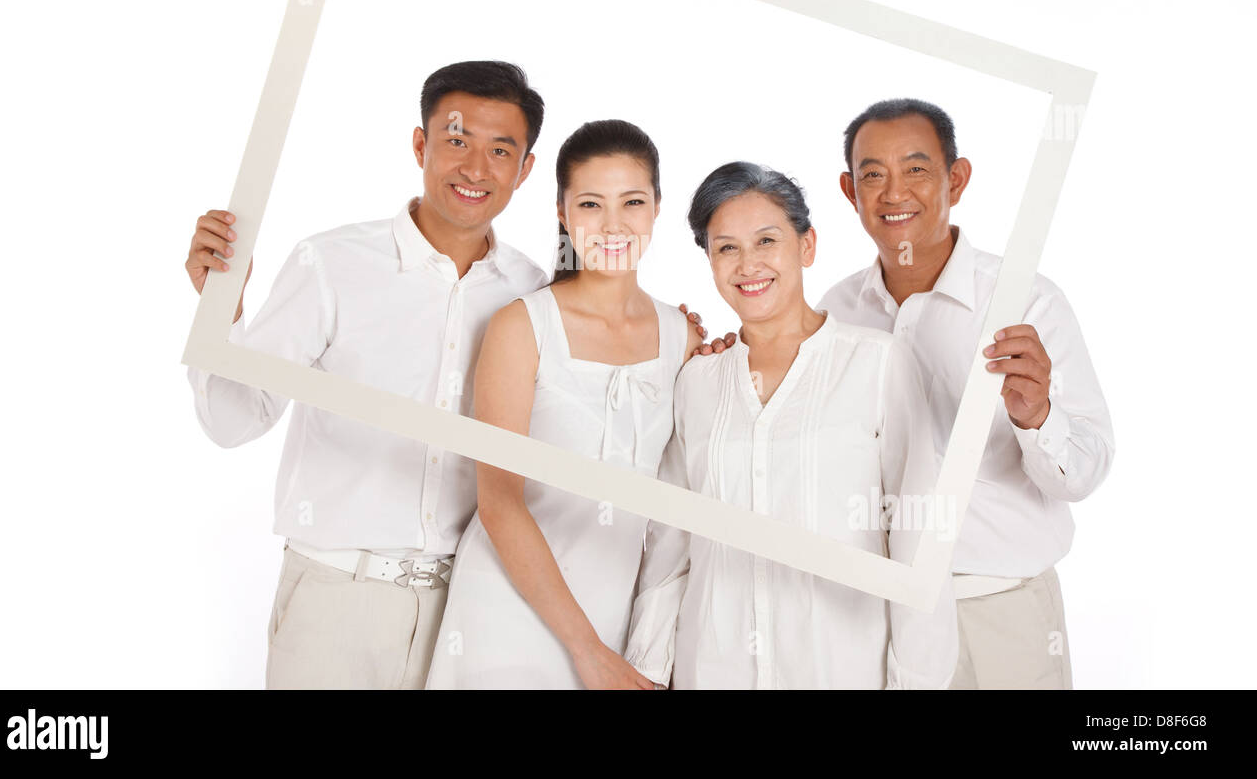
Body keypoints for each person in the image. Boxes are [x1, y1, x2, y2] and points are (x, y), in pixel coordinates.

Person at [184, 61, 550, 689]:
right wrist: (221, 310)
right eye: (457, 141)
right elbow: (233, 419)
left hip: (474, 609)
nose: (475, 169)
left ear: (526, 169)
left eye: (500, 151)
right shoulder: (331, 264)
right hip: (335, 603)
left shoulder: (534, 292)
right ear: (420, 145)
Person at [624, 162, 958, 689]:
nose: (747, 264)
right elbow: (672, 542)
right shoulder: (697, 382)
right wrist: (644, 666)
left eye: (766, 240)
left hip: (839, 669)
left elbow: (920, 542)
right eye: (726, 247)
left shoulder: (875, 364)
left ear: (807, 246)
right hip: (714, 667)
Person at [821, 99, 1114, 689]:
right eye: (873, 174)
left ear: (956, 179)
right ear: (851, 191)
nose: (893, 192)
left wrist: (1038, 418)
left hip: (1000, 612)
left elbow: (1083, 473)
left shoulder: (1026, 301)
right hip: (875, 613)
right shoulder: (834, 312)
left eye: (916, 169)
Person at [425, 120, 704, 689]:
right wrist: (586, 650)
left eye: (632, 202)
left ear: (656, 209)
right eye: (591, 204)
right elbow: (500, 503)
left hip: (616, 621)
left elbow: (676, 515)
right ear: (561, 211)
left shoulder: (684, 339)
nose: (613, 225)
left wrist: (641, 650)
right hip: (507, 615)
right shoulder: (522, 326)